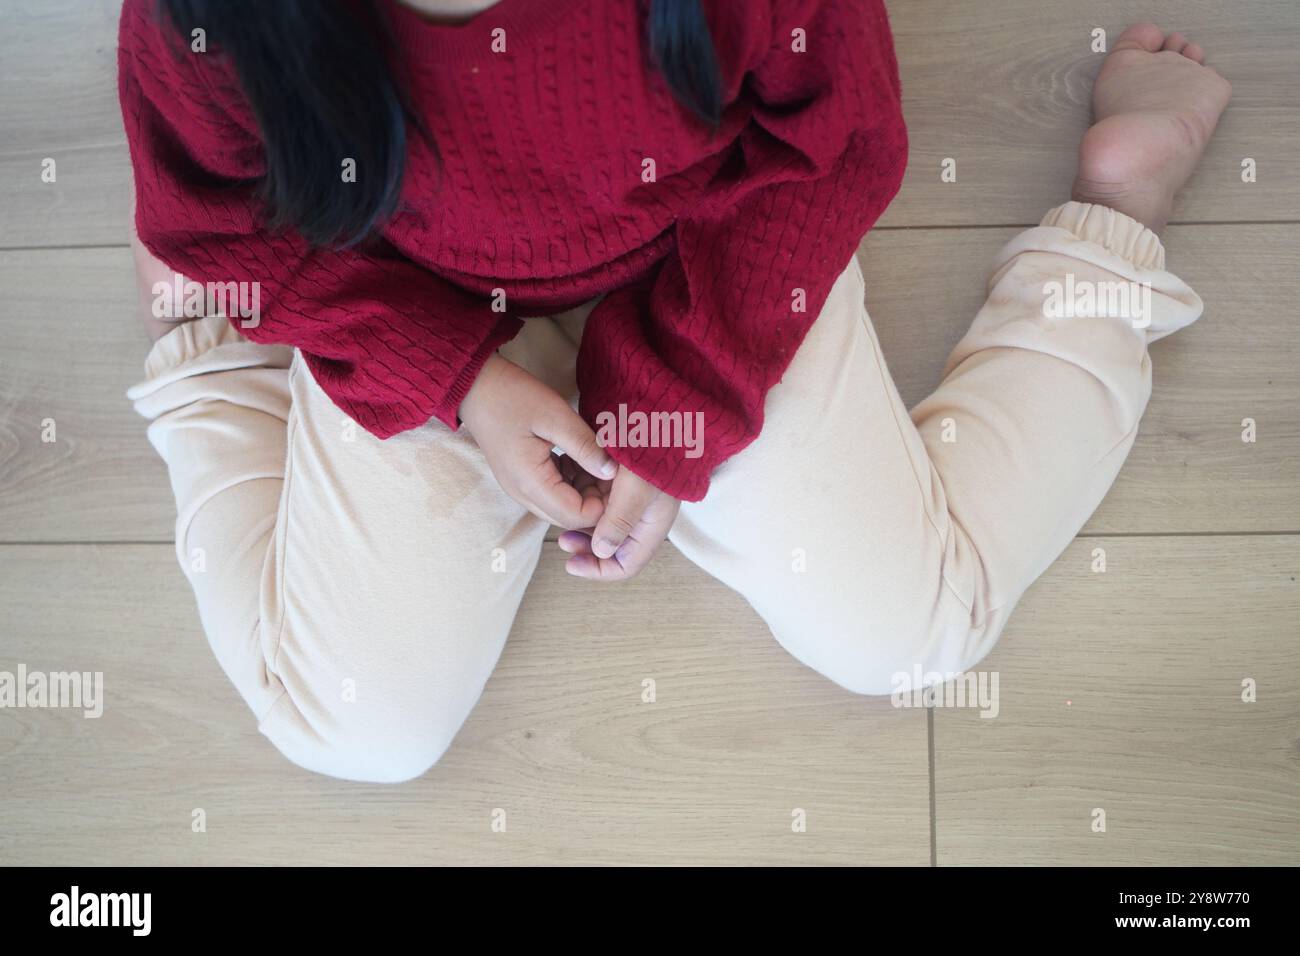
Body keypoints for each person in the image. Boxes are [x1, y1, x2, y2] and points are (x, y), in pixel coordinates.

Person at [118, 0, 1231, 782]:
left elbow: (833, 143)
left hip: (713, 265)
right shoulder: (206, 23)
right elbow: (223, 219)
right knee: (352, 729)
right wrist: (452, 378)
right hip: (403, 292)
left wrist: (688, 392)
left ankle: (1112, 224)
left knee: (906, 634)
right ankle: (211, 344)